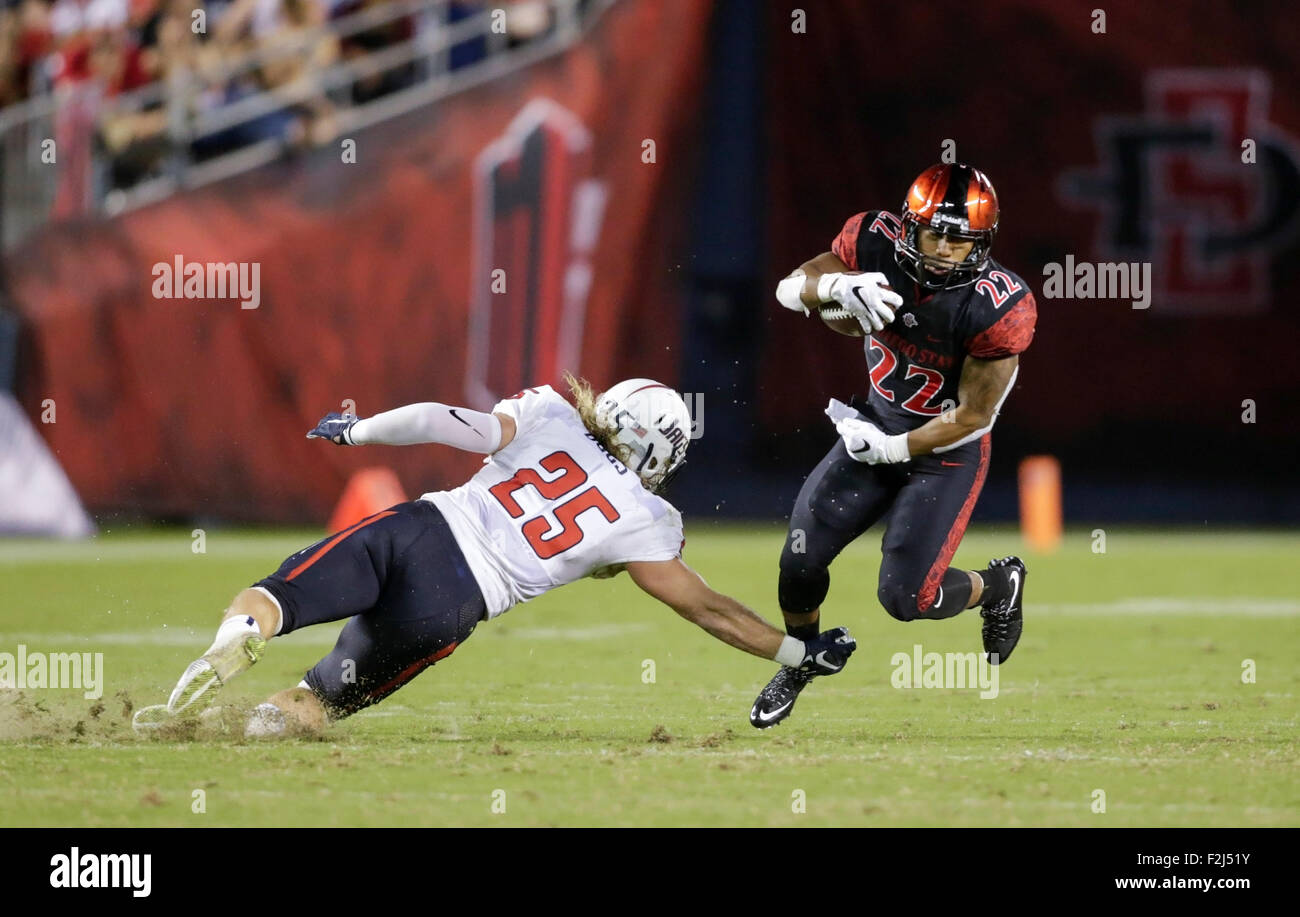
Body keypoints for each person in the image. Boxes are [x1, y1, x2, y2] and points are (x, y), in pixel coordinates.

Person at [134, 374, 857, 736]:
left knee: (279, 595)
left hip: (420, 532)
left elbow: (441, 423)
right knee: (324, 696)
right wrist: (798, 656)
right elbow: (709, 609)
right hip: (451, 605)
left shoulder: (550, 411)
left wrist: (356, 432)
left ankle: (238, 638)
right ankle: (255, 729)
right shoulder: (645, 517)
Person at [755, 162, 1037, 729]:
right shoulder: (873, 242)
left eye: (960, 239)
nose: (944, 249)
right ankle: (803, 657)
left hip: (945, 454)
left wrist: (890, 449)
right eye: (934, 233)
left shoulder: (997, 306)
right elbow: (792, 289)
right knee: (800, 559)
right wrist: (835, 286)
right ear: (909, 228)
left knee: (908, 599)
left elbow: (974, 416)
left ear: (983, 242)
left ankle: (997, 583)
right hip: (875, 427)